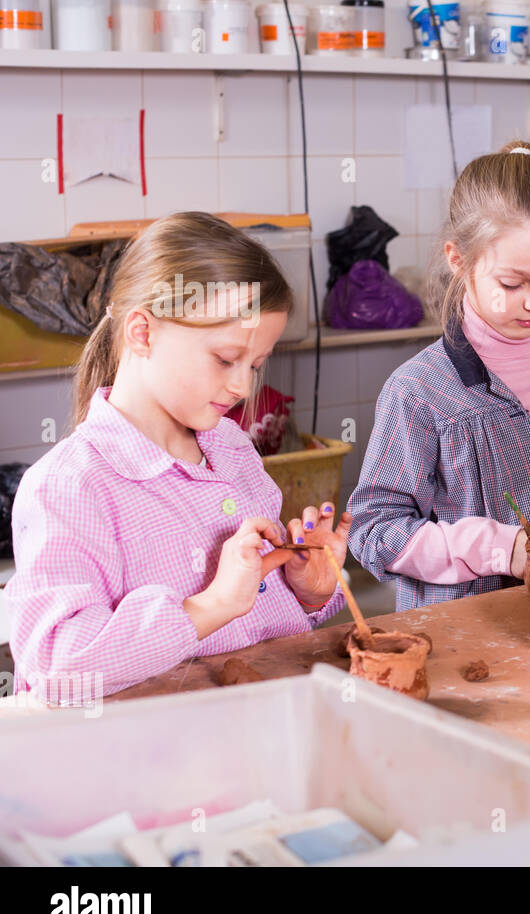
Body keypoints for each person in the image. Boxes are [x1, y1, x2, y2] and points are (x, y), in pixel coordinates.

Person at [6, 212, 348, 701]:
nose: (242, 385)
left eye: (255, 364)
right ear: (142, 333)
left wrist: (309, 589)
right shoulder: (69, 485)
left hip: (260, 724)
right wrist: (208, 607)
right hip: (152, 759)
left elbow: (262, 619)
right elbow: (59, 670)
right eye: (225, 359)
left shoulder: (232, 451)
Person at [348, 142, 530, 611]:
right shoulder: (418, 392)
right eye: (513, 284)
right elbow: (373, 532)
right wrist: (496, 548)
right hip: (462, 639)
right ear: (458, 260)